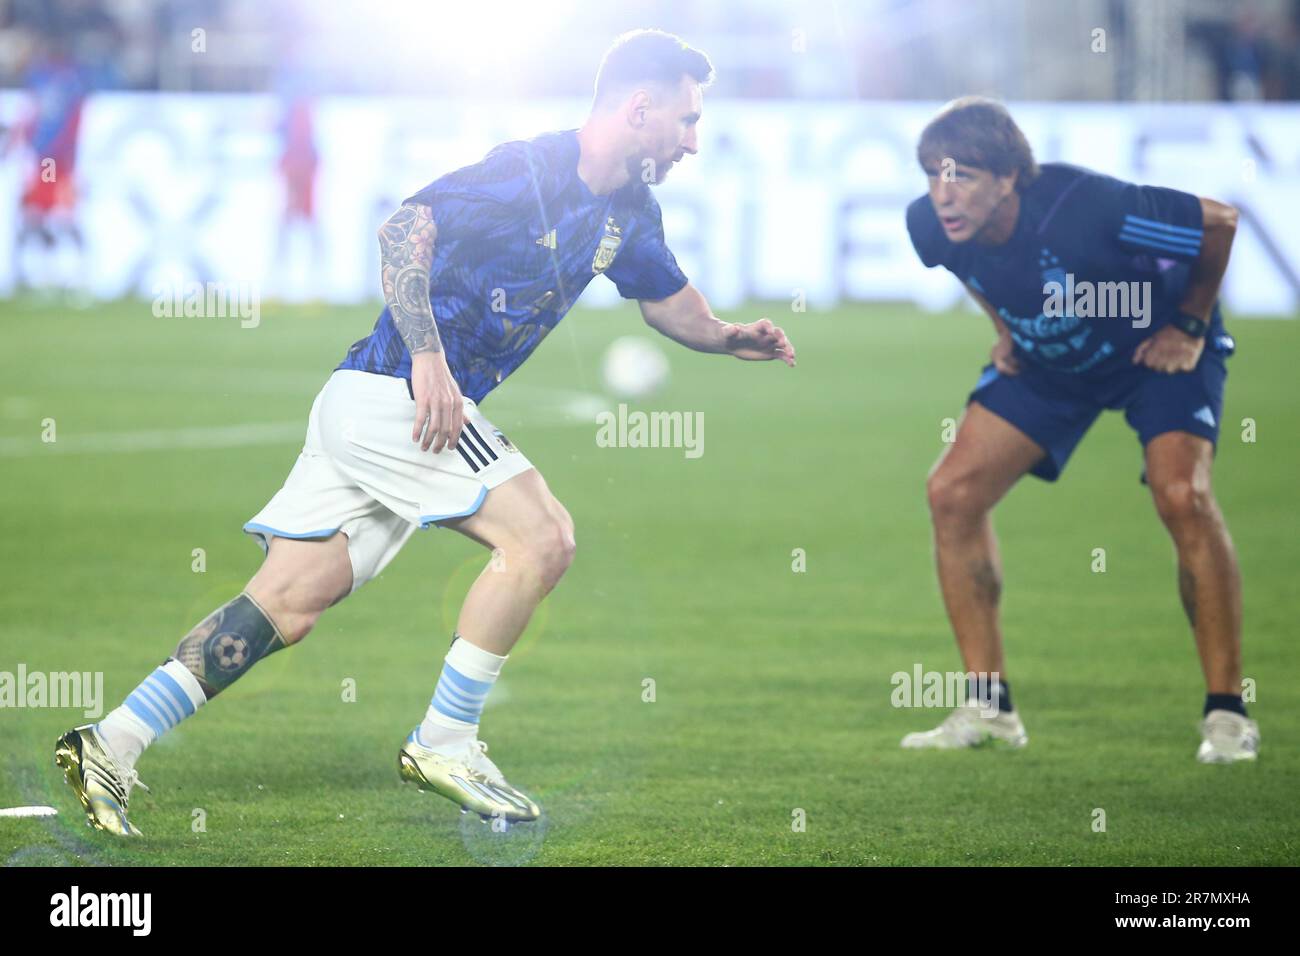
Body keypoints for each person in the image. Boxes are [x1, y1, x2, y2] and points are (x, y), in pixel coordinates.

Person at [55, 29, 797, 836]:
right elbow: (402, 230)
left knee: (290, 602)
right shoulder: (530, 170)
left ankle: (111, 741)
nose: (695, 139)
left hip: (378, 412)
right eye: (686, 119)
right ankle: (446, 741)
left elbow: (666, 300)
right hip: (394, 398)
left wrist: (727, 336)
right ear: (639, 107)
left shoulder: (630, 210)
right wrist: (427, 356)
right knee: (542, 538)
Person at [901, 97, 1256, 763]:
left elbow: (1220, 221)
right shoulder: (930, 225)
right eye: (932, 174)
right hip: (1054, 359)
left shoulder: (1084, 206)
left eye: (963, 177)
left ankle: (1227, 716)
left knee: (1183, 497)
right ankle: (990, 708)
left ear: (1008, 179)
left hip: (1156, 351)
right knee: (952, 493)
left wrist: (1190, 325)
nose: (943, 195)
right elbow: (970, 269)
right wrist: (1004, 329)